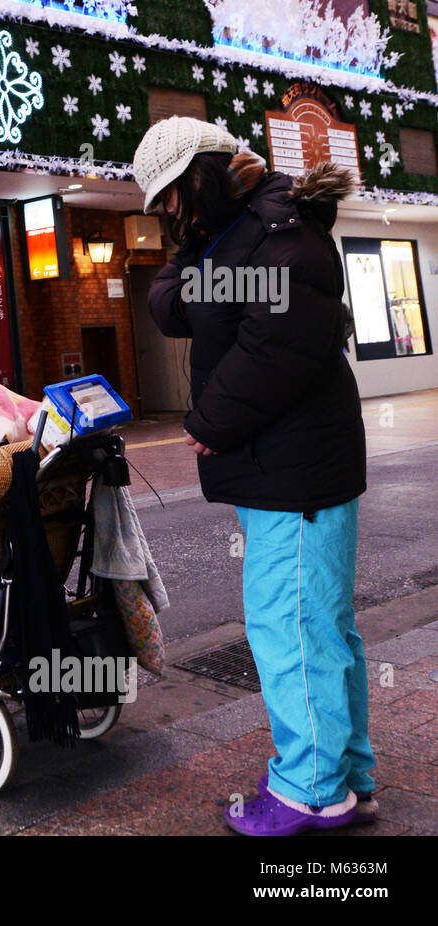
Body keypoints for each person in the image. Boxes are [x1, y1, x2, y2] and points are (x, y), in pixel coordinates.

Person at [136, 116, 372, 836]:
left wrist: (208, 422)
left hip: (294, 477)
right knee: (321, 628)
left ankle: (309, 789)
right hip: (291, 473)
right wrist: (192, 249)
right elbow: (172, 306)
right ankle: (346, 777)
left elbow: (277, 345)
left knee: (290, 628)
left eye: (172, 197)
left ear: (201, 175)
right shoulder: (238, 233)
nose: (169, 214)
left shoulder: (278, 235)